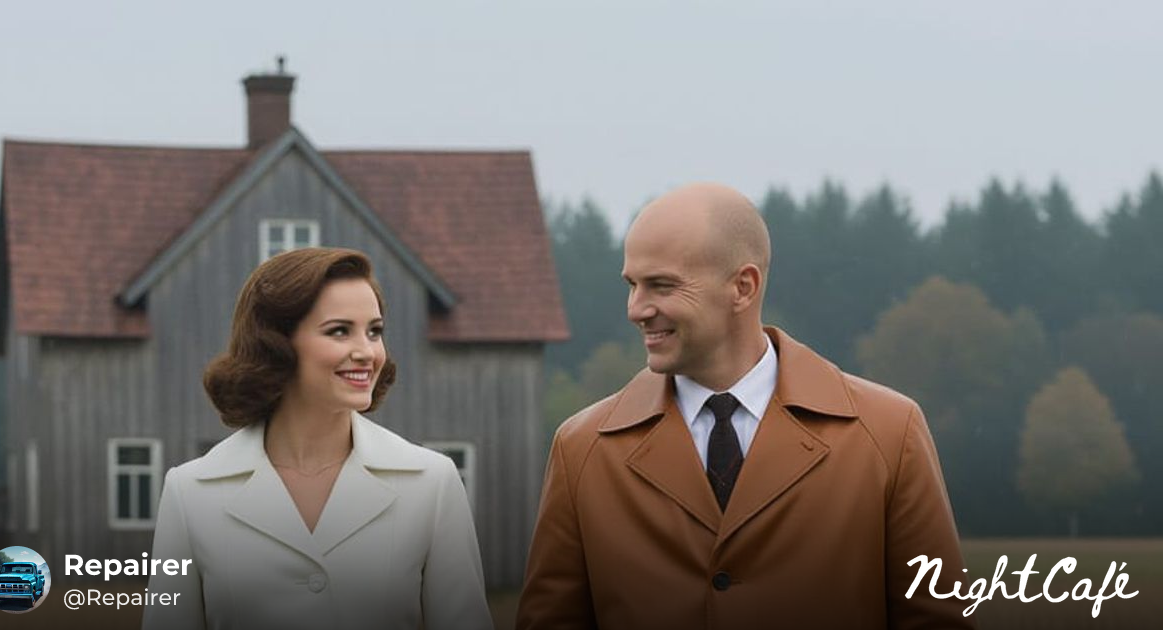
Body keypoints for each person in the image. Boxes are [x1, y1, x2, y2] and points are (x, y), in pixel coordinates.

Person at [516, 183, 972, 629]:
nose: (636, 308)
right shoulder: (582, 451)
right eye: (633, 285)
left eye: (660, 285)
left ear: (743, 287)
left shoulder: (889, 434)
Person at [143, 247, 493, 630]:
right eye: (340, 331)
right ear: (275, 343)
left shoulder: (433, 483)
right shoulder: (190, 491)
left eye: (374, 331)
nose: (367, 352)